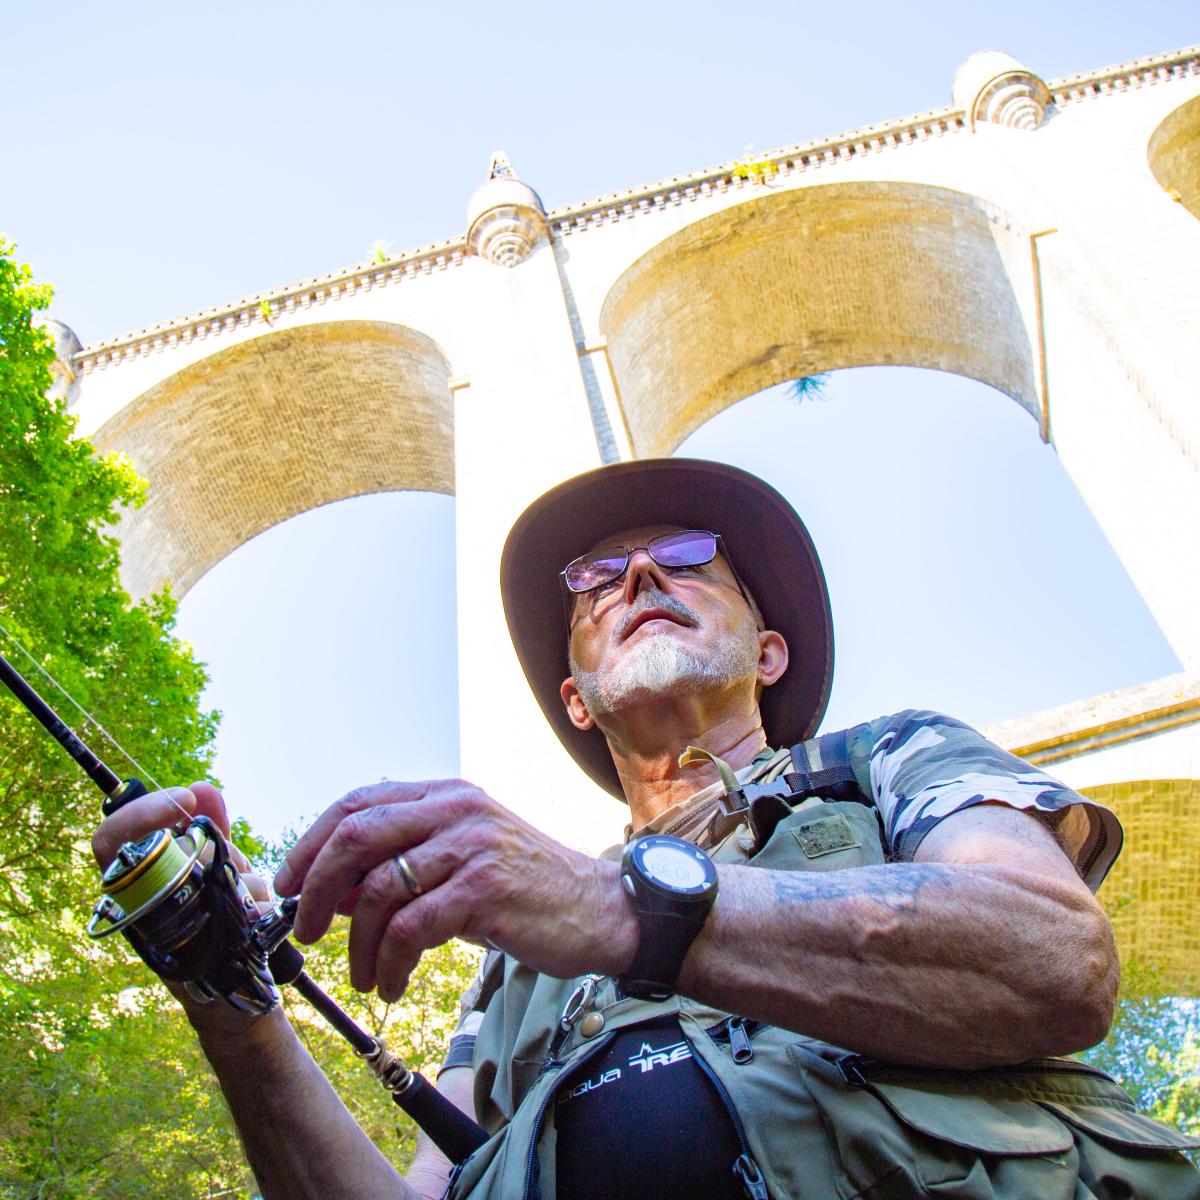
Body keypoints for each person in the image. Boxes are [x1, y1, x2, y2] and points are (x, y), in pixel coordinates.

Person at [92, 458, 1199, 1199]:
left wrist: (616, 905)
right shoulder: (514, 960)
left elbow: (1056, 957)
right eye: (591, 584)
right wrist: (232, 1008)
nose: (633, 575)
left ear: (769, 653)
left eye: (685, 559)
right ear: (578, 698)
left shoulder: (889, 757)